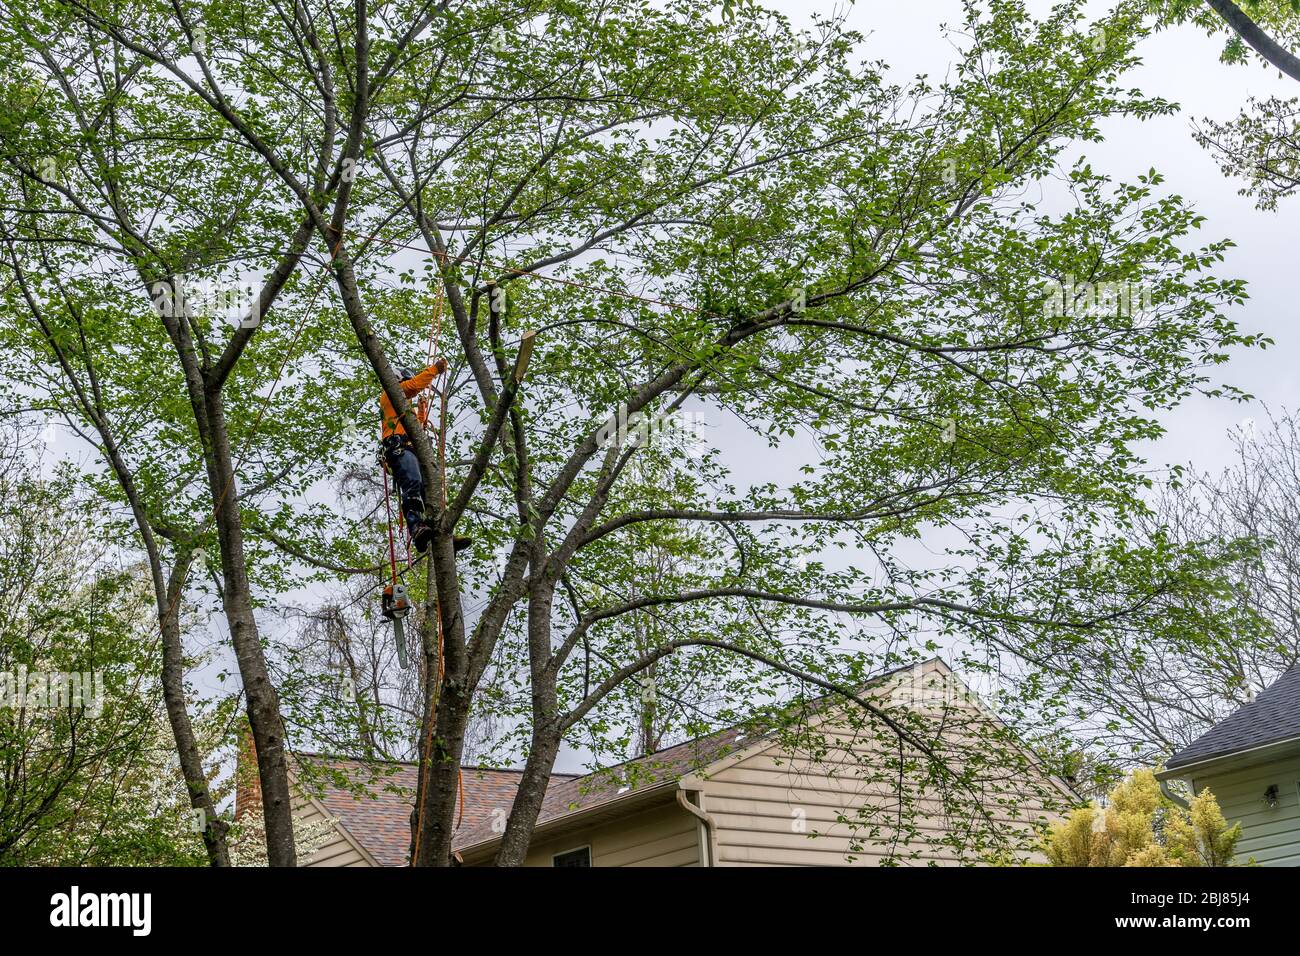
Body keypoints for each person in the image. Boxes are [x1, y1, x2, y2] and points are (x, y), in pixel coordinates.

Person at [379, 359, 469, 554]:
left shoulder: (401, 410)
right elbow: (413, 386)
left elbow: (415, 430)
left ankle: (442, 535)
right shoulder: (388, 395)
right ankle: (416, 527)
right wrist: (434, 370)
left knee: (431, 493)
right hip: (399, 448)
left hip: (410, 449)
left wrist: (420, 411)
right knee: (412, 482)